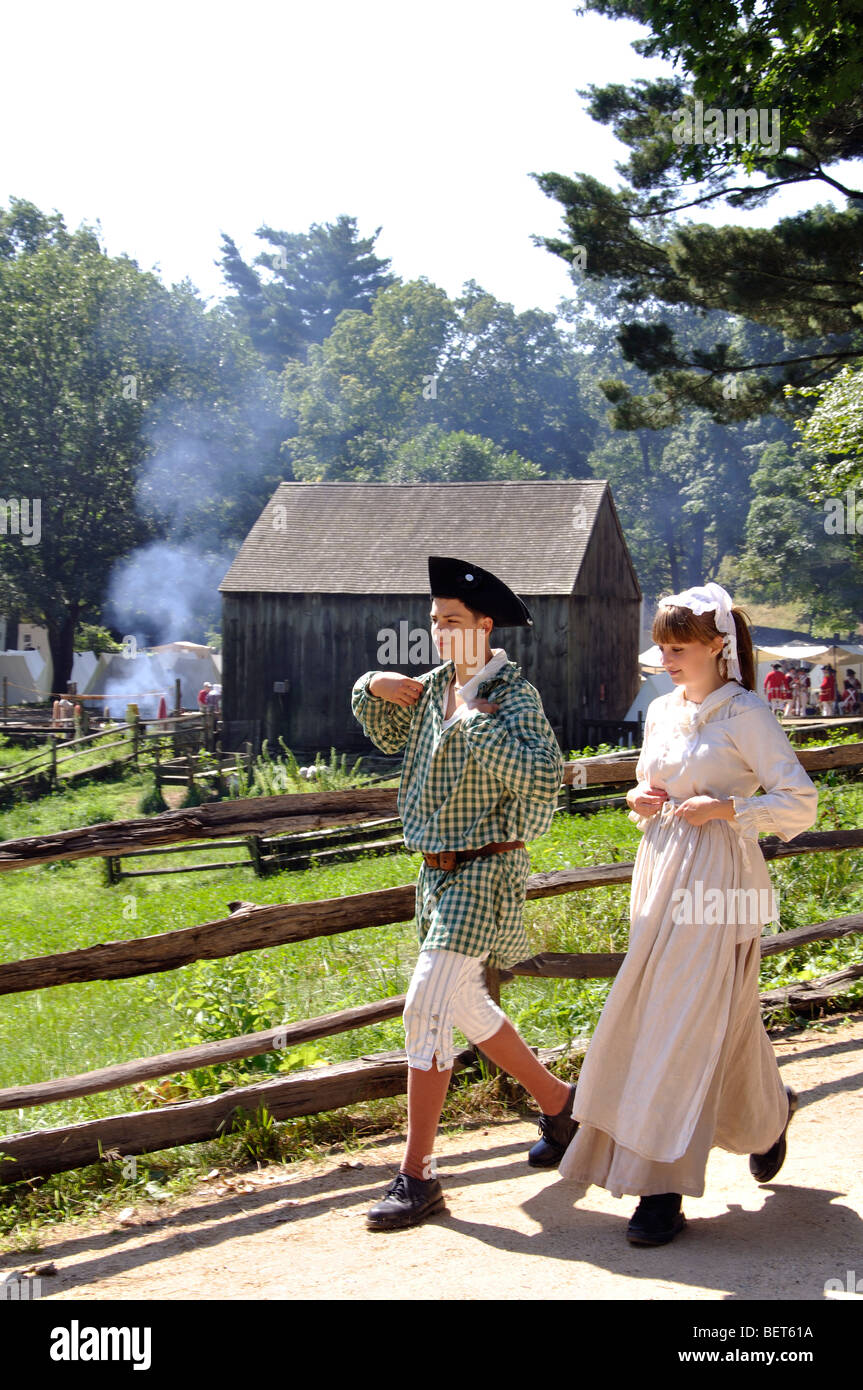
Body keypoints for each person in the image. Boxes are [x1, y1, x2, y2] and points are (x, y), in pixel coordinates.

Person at [554, 581, 818, 1246]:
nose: (664, 658)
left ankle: (659, 1189)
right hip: (661, 874)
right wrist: (638, 801)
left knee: (675, 1026)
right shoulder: (662, 711)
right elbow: (652, 783)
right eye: (662, 647)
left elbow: (798, 801)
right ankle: (769, 1114)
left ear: (714, 647)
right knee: (702, 1020)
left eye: (676, 648)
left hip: (720, 884)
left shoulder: (746, 714)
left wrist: (729, 808)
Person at [351, 555, 571, 1231]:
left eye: (452, 622)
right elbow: (384, 734)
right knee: (465, 1004)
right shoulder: (431, 687)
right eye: (434, 623)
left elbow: (544, 778)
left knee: (426, 1005)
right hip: (434, 872)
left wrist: (476, 724)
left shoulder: (512, 696)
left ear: (483, 624)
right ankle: (563, 1107)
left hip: (486, 868)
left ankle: (417, 1175)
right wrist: (369, 684)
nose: (440, 633)